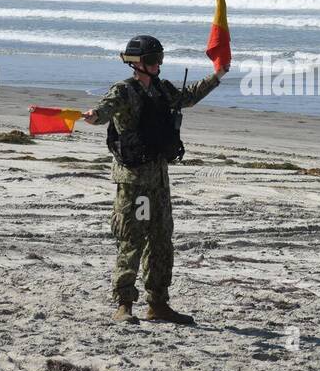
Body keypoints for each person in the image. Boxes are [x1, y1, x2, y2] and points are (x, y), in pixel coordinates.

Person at [80, 35, 228, 324]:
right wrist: (94, 115)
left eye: (160, 59)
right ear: (139, 64)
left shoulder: (161, 90)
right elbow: (104, 109)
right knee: (132, 239)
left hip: (158, 181)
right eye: (153, 60)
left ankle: (158, 303)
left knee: (161, 241)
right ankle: (124, 304)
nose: (159, 64)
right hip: (135, 183)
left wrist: (217, 75)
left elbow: (188, 97)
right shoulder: (124, 91)